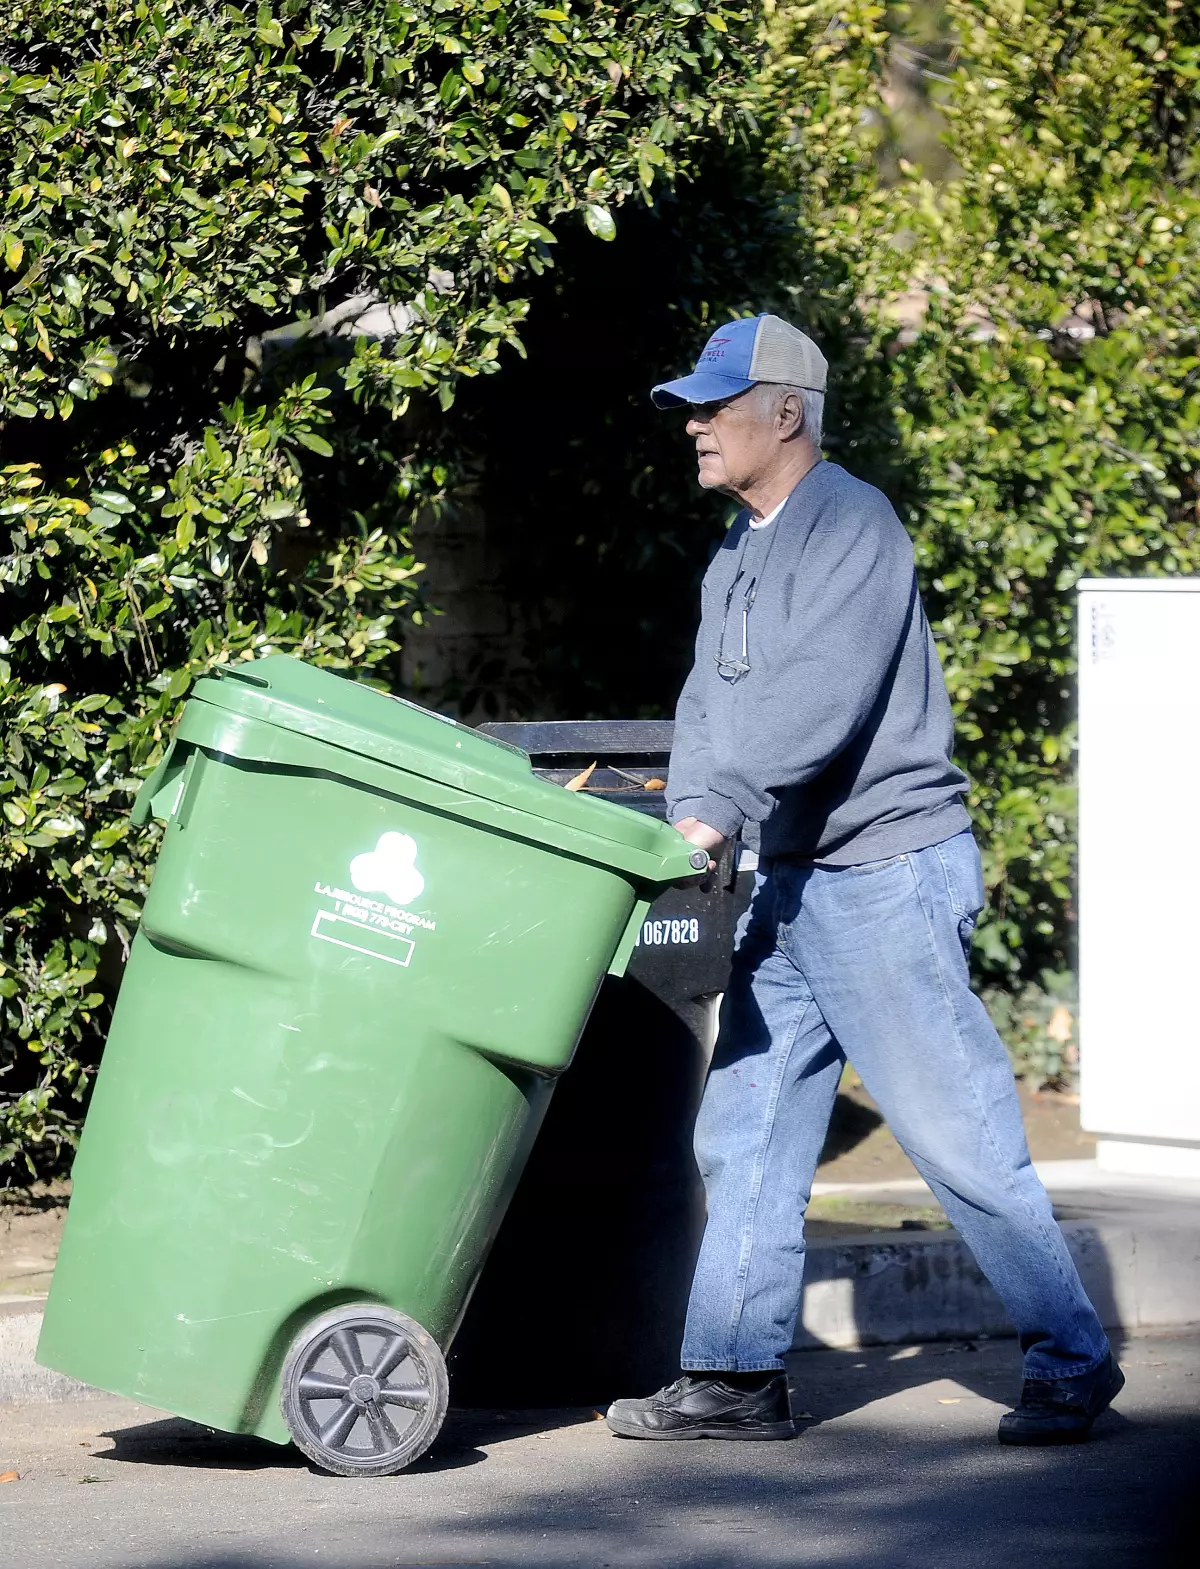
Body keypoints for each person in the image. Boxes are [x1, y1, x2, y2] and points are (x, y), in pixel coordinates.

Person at [605, 313, 1122, 1447]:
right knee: (745, 1128)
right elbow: (709, 703)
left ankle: (1071, 1356)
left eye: (714, 406)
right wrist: (695, 817)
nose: (694, 426)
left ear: (783, 412)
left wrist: (721, 806)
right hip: (784, 885)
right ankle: (735, 1376)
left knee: (954, 1129)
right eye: (690, 407)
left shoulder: (855, 525)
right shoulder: (737, 546)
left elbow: (818, 703)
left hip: (884, 873)